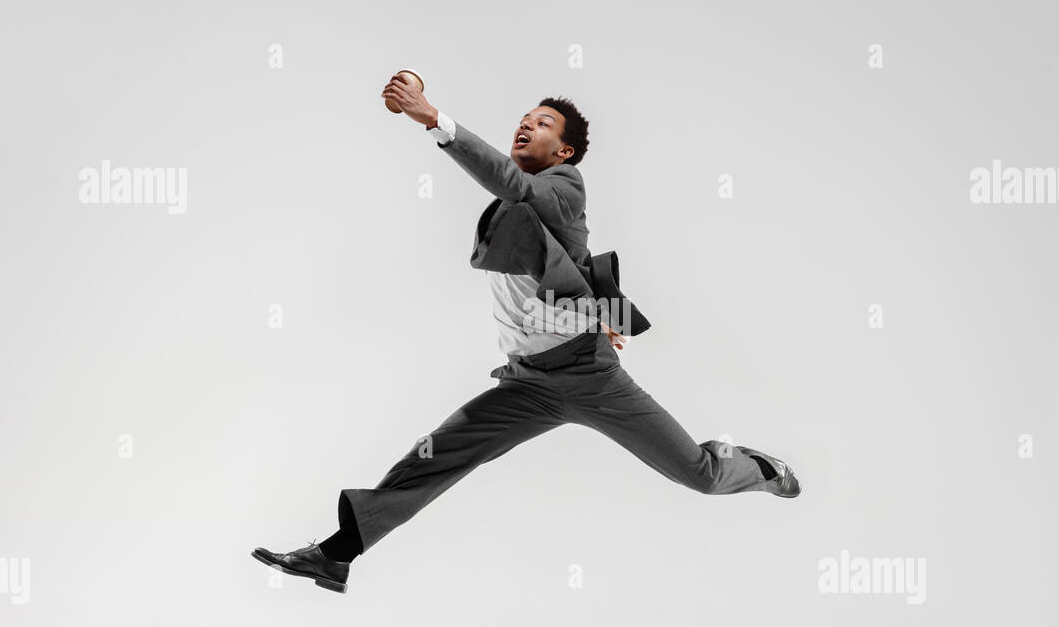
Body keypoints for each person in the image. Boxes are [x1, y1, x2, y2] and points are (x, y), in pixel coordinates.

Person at [251, 76, 799, 594]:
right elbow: (564, 264)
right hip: (528, 385)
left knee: (698, 475)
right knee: (436, 454)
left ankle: (760, 469)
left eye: (541, 124)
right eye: (523, 119)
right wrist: (599, 311)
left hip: (589, 378)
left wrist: (432, 118)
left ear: (564, 153)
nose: (525, 126)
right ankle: (336, 553)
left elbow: (515, 187)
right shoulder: (518, 211)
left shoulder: (565, 189)